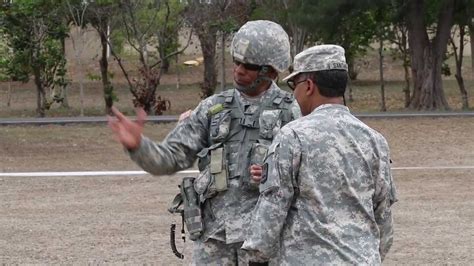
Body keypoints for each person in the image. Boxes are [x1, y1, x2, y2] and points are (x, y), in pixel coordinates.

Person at [108, 20, 300, 265]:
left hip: (266, 242)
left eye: (249, 66)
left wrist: (276, 174)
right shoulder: (213, 109)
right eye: (236, 62)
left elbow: (311, 177)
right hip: (214, 240)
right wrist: (138, 145)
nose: (239, 70)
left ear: (271, 71)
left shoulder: (293, 113)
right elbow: (169, 158)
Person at [241, 45, 398, 265]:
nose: (293, 93)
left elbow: (272, 209)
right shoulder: (374, 140)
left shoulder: (292, 136)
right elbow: (383, 215)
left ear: (309, 86)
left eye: (293, 85)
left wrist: (256, 258)